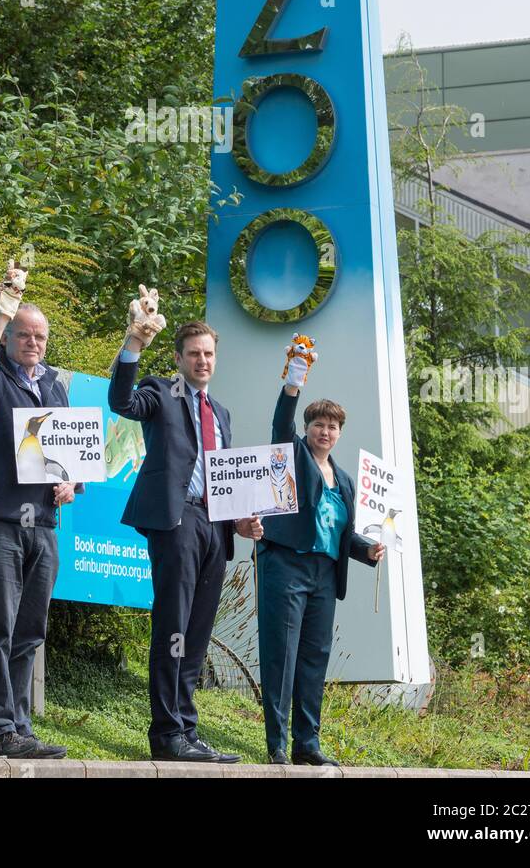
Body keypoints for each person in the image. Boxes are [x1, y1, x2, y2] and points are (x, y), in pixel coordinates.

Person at [108, 286, 263, 763]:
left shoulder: (223, 412)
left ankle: (188, 732)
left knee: (196, 631)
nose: (202, 360)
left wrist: (240, 519)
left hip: (214, 529)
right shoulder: (159, 391)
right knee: (172, 624)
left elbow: (223, 477)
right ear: (178, 357)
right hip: (175, 520)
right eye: (194, 353)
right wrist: (134, 342)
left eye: (209, 353)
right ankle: (166, 735)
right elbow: (120, 402)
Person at [0, 260, 75, 760]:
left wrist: (72, 481)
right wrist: (3, 311)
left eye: (40, 335)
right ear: (8, 338)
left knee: (30, 631)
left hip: (42, 527)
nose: (32, 341)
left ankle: (20, 727)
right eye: (23, 333)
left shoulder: (55, 387)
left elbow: (69, 453)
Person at [257, 337, 385, 766]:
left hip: (324, 576)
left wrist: (367, 550)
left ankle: (307, 744)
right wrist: (294, 381)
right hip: (285, 566)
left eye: (332, 426)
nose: (324, 431)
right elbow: (280, 425)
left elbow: (343, 533)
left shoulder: (345, 481)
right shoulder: (292, 455)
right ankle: (276, 743)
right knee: (282, 655)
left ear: (339, 433)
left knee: (314, 659)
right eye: (318, 424)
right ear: (308, 429)